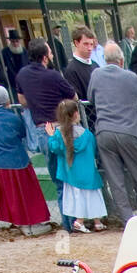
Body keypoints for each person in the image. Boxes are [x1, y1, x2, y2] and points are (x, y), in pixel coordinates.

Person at [87, 41, 137, 222]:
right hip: (128, 132)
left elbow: (90, 97)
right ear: (121, 60)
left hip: (104, 132)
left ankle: (128, 222)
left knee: (115, 181)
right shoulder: (130, 77)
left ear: (104, 59)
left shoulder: (96, 74)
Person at [16, 38, 77, 228]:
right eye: (49, 53)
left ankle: (68, 223)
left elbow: (23, 101)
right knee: (71, 175)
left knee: (57, 178)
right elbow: (73, 96)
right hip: (61, 126)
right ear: (44, 57)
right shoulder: (53, 76)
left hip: (42, 129)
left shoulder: (22, 75)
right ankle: (76, 220)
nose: (51, 56)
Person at [0, 84, 50, 235]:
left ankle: (20, 223)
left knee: (11, 194)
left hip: (0, 160)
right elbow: (22, 134)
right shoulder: (14, 119)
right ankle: (33, 223)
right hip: (18, 159)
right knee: (27, 192)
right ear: (7, 100)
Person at [46, 98, 106, 232]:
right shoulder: (87, 134)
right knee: (94, 196)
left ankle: (80, 221)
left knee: (78, 198)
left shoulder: (59, 134)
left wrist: (51, 136)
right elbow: (93, 151)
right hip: (89, 172)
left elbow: (55, 148)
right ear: (75, 114)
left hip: (71, 173)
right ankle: (96, 221)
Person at [63, 25, 97, 129]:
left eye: (91, 44)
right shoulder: (71, 70)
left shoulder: (95, 65)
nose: (89, 48)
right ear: (76, 43)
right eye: (86, 44)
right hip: (87, 122)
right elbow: (75, 100)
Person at [2, 29, 27, 98]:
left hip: (25, 82)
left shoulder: (24, 51)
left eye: (17, 41)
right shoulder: (5, 52)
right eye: (13, 42)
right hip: (12, 83)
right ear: (10, 41)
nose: (15, 44)